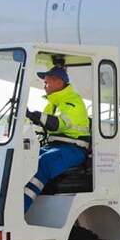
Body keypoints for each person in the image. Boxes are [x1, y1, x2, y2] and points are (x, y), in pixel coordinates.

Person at [22, 66, 90, 211]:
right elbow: (41, 127)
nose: (44, 86)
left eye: (47, 82)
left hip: (74, 149)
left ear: (59, 83)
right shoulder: (52, 105)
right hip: (54, 146)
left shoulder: (73, 102)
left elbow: (59, 124)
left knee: (43, 162)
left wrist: (35, 115)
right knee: (24, 159)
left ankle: (20, 207)